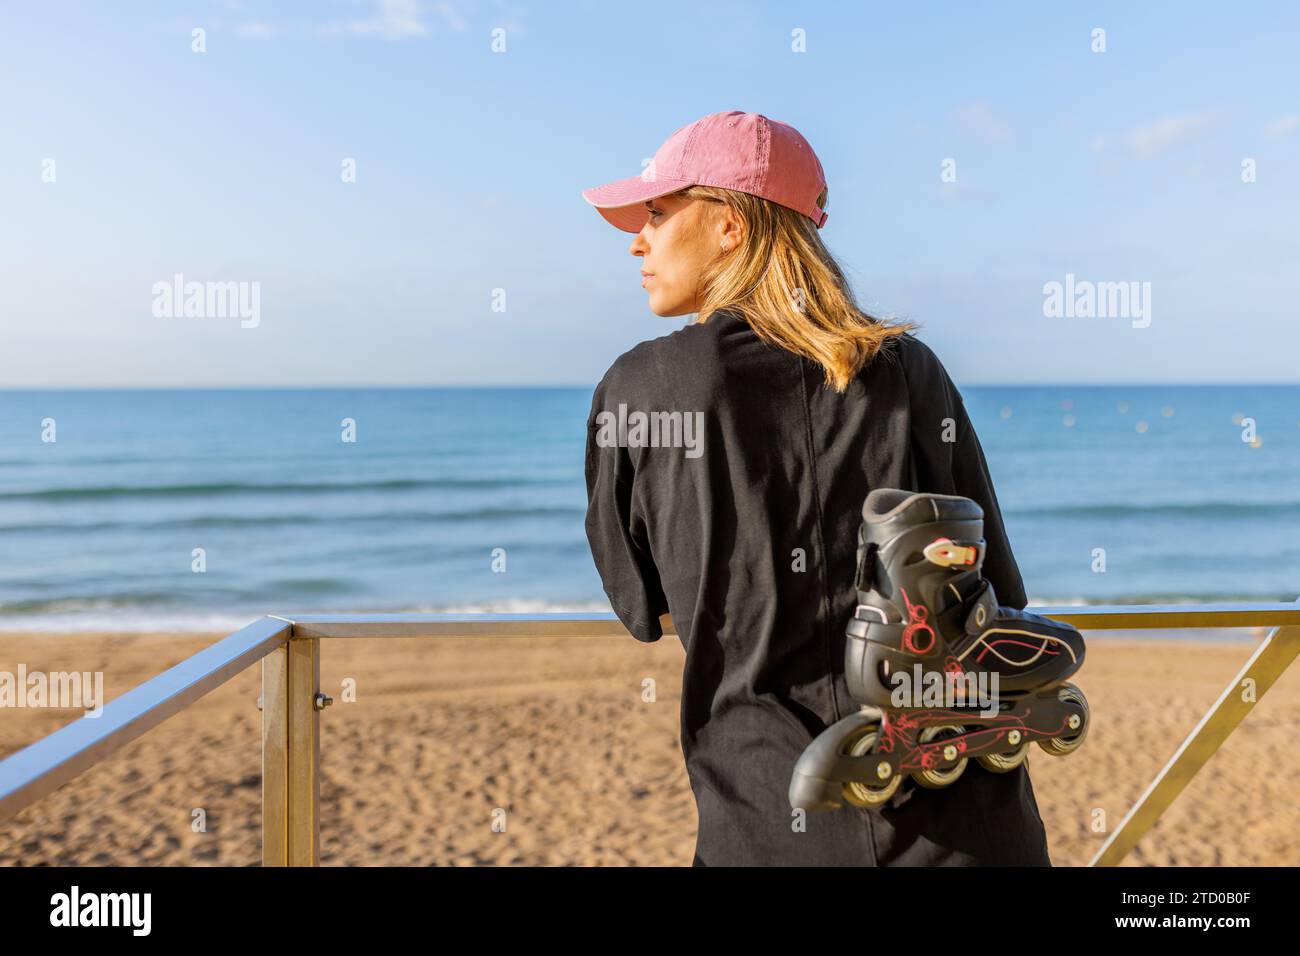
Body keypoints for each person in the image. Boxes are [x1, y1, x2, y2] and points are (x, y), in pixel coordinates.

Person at [580, 110, 1052, 866]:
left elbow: (648, 603)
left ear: (730, 224)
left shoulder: (640, 390)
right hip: (965, 818)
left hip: (769, 819)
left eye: (659, 214)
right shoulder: (911, 372)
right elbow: (993, 588)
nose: (638, 239)